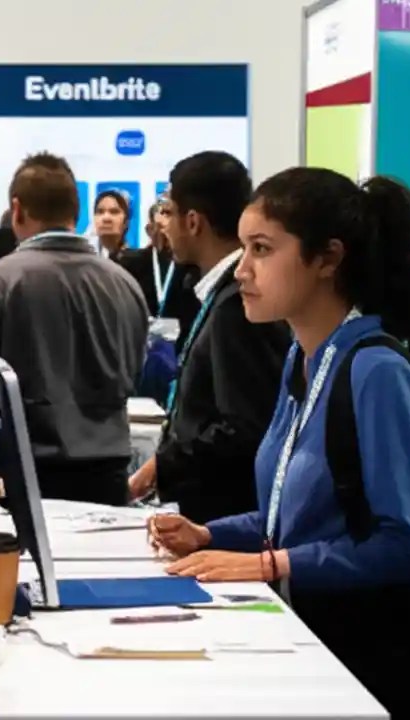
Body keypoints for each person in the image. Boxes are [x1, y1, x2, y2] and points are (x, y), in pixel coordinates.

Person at [149, 167, 410, 718]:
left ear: (327, 260)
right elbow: (296, 512)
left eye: (262, 249)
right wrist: (209, 533)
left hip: (373, 668)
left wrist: (270, 564)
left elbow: (407, 544)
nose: (242, 270)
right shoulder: (302, 359)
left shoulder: (376, 371)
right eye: (243, 248)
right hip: (310, 646)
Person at [0, 152, 148, 506]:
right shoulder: (125, 283)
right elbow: (135, 370)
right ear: (78, 211)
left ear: (17, 210)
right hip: (110, 474)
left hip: (22, 474)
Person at [128, 152, 288, 523]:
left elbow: (244, 426)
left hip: (223, 519)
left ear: (193, 221)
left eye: (168, 212)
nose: (163, 224)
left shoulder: (237, 306)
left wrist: (166, 466)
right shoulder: (219, 297)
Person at [118, 201, 202, 347]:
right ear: (149, 229)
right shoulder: (131, 264)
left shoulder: (193, 266)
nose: (164, 231)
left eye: (169, 217)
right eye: (158, 226)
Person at [93, 189, 132, 261]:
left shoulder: (137, 262)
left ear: (126, 222)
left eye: (114, 212)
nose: (106, 218)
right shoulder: (81, 260)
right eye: (100, 212)